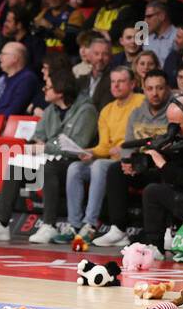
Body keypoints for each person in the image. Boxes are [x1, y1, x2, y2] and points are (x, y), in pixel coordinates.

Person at [0, 64, 98, 243]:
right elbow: (36, 139)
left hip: (75, 164)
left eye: (48, 87)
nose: (44, 90)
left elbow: (77, 146)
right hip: (51, 160)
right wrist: (46, 146)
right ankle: (1, 224)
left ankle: (49, 225)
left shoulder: (86, 110)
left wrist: (47, 146)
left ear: (60, 90)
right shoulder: (50, 110)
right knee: (16, 165)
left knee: (48, 167)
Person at [69, 69, 170, 242]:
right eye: (150, 88)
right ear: (144, 89)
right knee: (110, 170)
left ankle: (168, 230)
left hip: (162, 164)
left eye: (159, 88)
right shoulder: (130, 112)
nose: (154, 93)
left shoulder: (169, 110)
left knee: (104, 167)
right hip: (139, 163)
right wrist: (126, 161)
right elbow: (122, 143)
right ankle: (115, 229)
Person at [54, 66, 142, 240]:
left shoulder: (141, 102)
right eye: (113, 82)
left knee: (100, 166)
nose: (116, 86)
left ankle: (91, 224)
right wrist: (90, 152)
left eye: (121, 81)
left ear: (132, 84)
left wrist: (127, 148)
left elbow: (145, 134)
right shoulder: (107, 110)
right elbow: (104, 146)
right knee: (75, 168)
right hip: (111, 159)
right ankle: (74, 225)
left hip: (131, 158)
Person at [133, 99, 183, 256]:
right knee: (154, 188)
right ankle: (158, 243)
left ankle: (163, 241)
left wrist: (163, 164)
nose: (173, 129)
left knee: (153, 191)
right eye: (170, 123)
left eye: (177, 124)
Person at [0, 42, 38, 118]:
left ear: (15, 58)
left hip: (4, 125)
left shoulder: (27, 79)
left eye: (3, 54)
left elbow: (14, 111)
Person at [76, 33, 115, 111]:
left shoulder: (114, 80)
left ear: (111, 57)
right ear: (89, 56)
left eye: (105, 54)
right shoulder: (81, 80)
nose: (100, 58)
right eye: (96, 54)